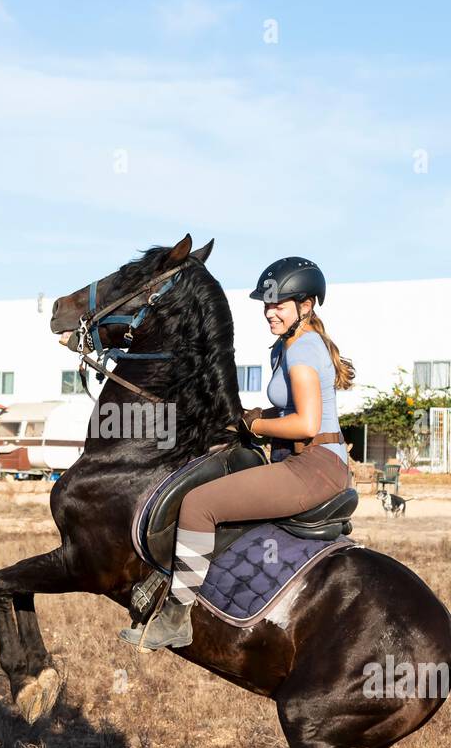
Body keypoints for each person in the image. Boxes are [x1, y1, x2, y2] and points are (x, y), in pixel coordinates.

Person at [121, 256, 355, 651]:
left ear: (307, 305)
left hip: (315, 466)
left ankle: (176, 619)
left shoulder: (302, 350)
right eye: (266, 305)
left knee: (198, 505)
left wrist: (255, 426)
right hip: (299, 461)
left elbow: (306, 425)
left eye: (278, 305)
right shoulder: (285, 347)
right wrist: (246, 418)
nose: (269, 313)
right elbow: (287, 410)